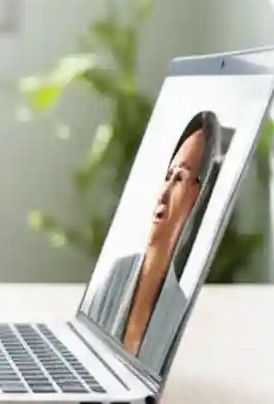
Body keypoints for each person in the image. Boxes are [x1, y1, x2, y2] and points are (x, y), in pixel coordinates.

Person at [81, 111, 230, 372]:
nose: (163, 193)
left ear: (201, 194)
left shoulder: (178, 311)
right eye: (167, 176)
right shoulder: (118, 275)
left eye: (180, 178)